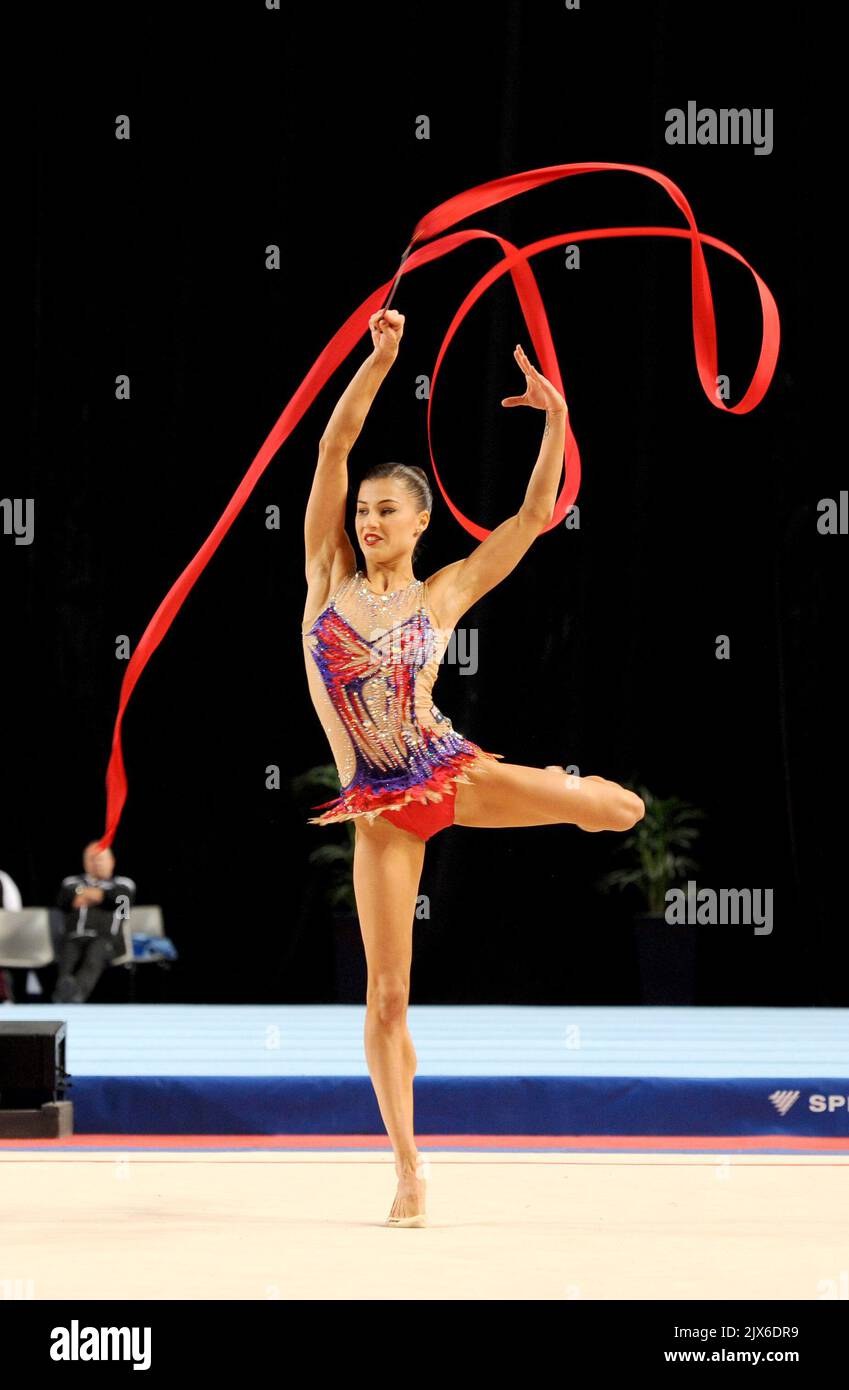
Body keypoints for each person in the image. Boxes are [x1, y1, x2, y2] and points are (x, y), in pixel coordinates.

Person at [301, 307, 645, 1226]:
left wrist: (556, 418)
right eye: (364, 508)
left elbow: (535, 515)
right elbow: (333, 445)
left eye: (386, 509)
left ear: (418, 522)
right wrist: (379, 362)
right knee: (385, 996)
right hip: (377, 808)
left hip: (450, 773)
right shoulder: (325, 575)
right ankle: (408, 1169)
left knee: (618, 814)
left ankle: (585, 790)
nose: (369, 519)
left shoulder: (442, 590)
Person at [52, 842, 136, 1003]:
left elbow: (121, 899)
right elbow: (65, 900)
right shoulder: (71, 882)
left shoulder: (124, 883)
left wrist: (87, 895)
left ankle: (74, 996)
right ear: (85, 862)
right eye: (92, 859)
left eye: (101, 859)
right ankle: (65, 987)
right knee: (68, 953)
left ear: (112, 861)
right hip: (75, 937)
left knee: (95, 954)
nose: (96, 863)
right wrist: (101, 897)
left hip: (108, 940)